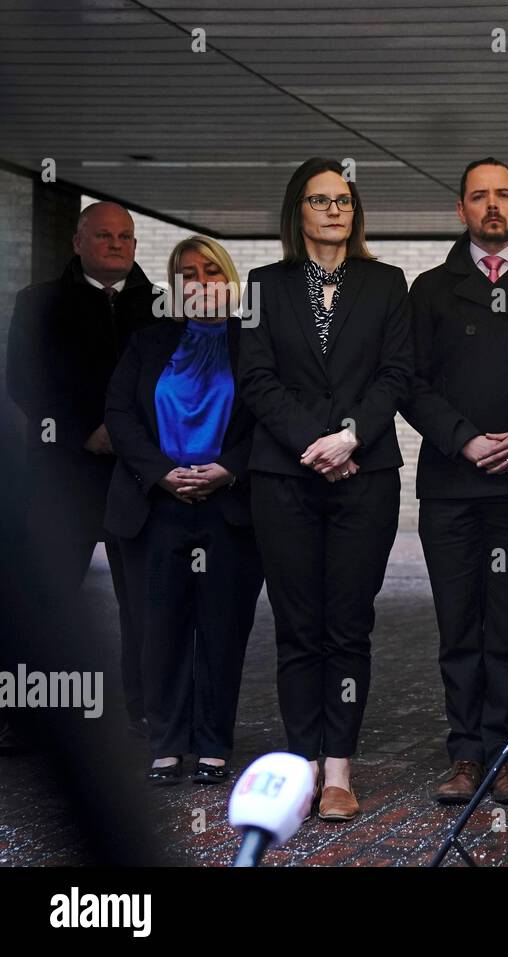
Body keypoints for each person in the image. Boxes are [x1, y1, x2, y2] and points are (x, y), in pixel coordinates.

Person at [240, 158, 413, 821]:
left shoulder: (386, 283)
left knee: (348, 626)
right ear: (299, 211)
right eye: (321, 200)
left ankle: (339, 771)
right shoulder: (264, 284)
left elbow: (396, 373)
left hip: (363, 478)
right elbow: (256, 379)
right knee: (298, 627)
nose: (335, 209)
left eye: (344, 200)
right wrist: (316, 443)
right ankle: (302, 770)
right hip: (284, 478)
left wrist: (349, 438)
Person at [403, 157, 508, 805]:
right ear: (460, 210)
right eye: (477, 197)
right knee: (457, 626)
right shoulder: (431, 290)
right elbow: (408, 380)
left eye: (503, 196)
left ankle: (507, 758)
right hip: (450, 483)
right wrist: (464, 436)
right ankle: (465, 755)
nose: (491, 206)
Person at [104, 236, 263, 784]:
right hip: (155, 505)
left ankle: (214, 743)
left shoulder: (256, 342)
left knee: (221, 629)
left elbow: (270, 419)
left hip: (228, 507)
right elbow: (119, 414)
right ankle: (167, 743)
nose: (200, 282)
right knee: (159, 629)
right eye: (188, 275)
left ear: (228, 280)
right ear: (175, 287)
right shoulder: (148, 341)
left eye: (211, 272)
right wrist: (160, 473)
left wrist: (229, 468)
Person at [6, 201, 160, 734]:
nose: (116, 244)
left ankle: (145, 713)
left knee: (144, 604)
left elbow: (171, 388)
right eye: (103, 236)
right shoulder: (40, 302)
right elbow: (25, 380)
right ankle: (23, 719)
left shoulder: (159, 307)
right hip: (62, 477)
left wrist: (132, 440)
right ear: (78, 242)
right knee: (47, 600)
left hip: (135, 479)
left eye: (125, 237)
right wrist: (81, 432)